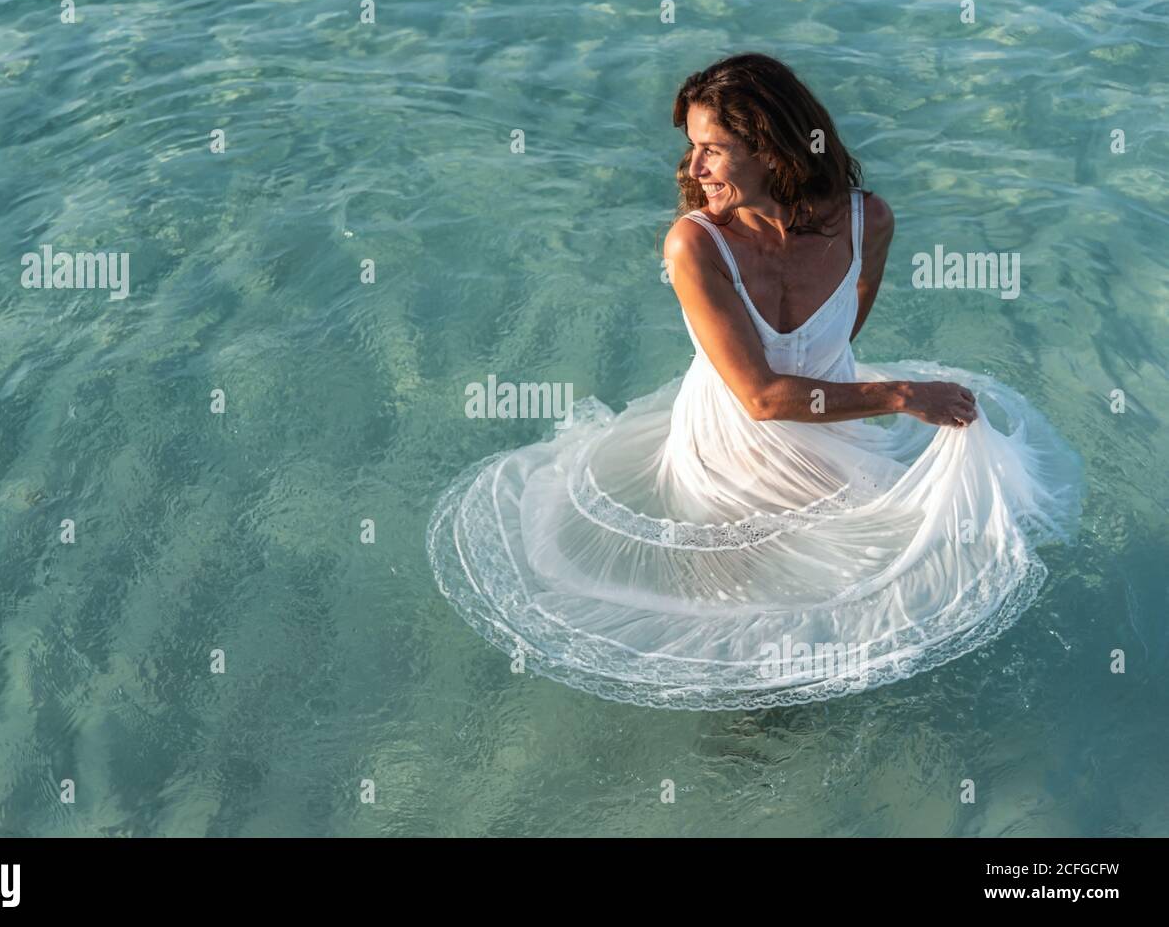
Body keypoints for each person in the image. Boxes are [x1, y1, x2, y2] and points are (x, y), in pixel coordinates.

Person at [427, 53, 1084, 710]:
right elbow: (762, 396)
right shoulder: (694, 245)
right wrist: (906, 395)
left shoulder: (867, 222)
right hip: (728, 448)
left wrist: (866, 399)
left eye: (713, 149)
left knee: (856, 599)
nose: (693, 169)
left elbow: (838, 334)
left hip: (834, 436)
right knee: (742, 632)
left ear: (771, 149)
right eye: (692, 149)